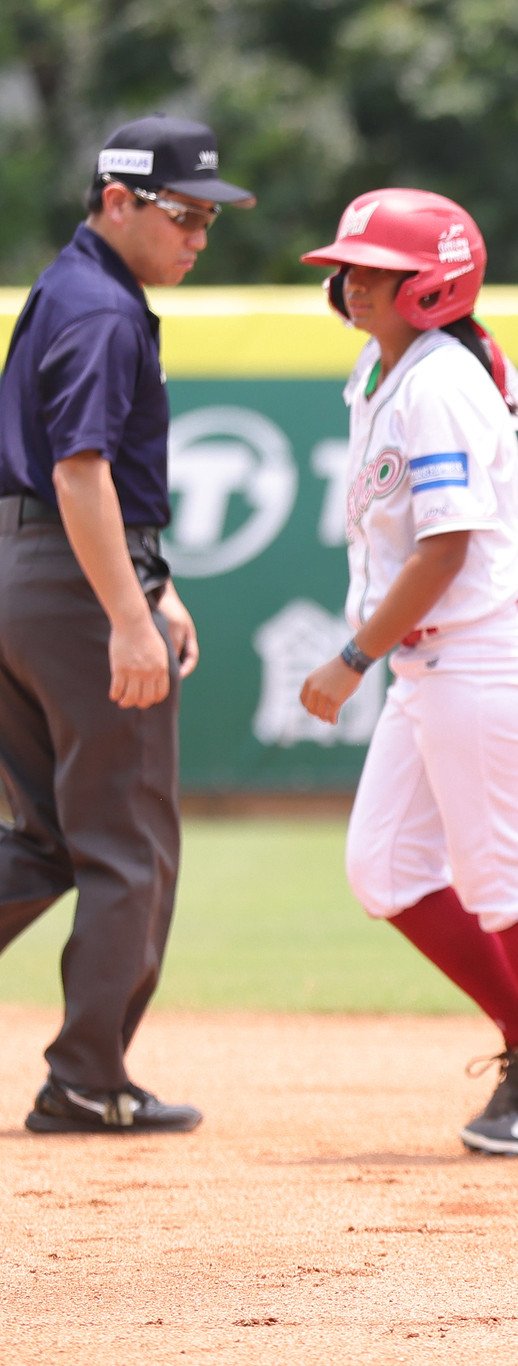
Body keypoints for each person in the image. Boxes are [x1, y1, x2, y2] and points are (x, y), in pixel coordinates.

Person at [295, 189, 518, 1157]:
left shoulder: (438, 381)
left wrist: (351, 659)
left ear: (433, 286)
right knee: (386, 868)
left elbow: (444, 550)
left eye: (378, 270)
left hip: (484, 651)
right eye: (349, 268)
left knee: (505, 878)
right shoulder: (384, 367)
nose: (353, 282)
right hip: (439, 658)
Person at [0, 116, 255, 1134]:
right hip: (68, 581)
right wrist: (126, 615)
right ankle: (87, 1077)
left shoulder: (71, 286)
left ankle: (88, 1069)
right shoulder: (104, 310)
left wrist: (156, 582)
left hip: (26, 570)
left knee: (50, 840)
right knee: (128, 844)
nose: (200, 234)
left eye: (209, 218)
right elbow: (79, 470)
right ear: (118, 201)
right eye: (183, 214)